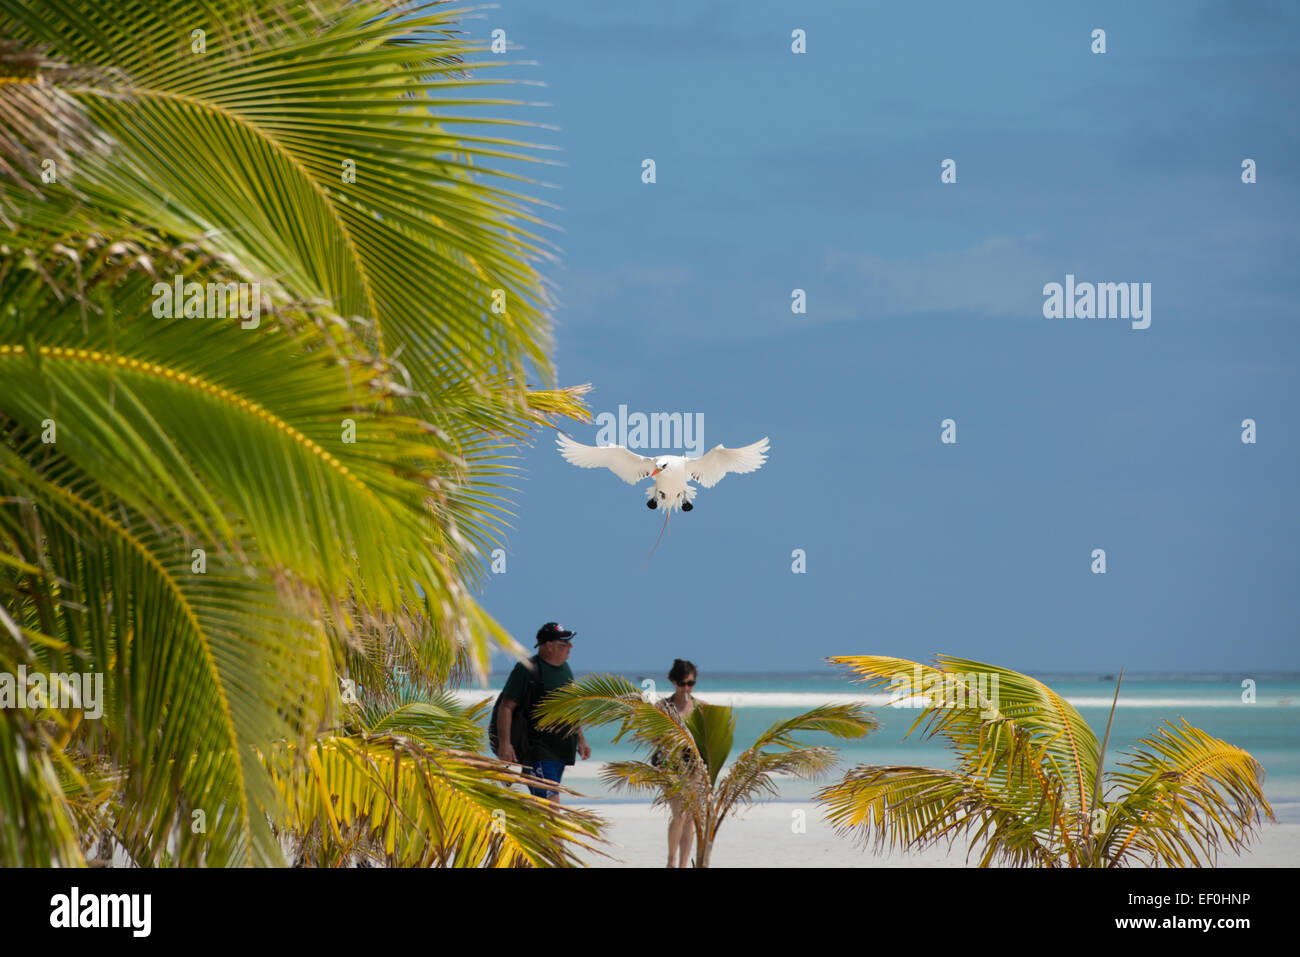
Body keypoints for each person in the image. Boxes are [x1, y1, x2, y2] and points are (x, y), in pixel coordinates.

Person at [497, 622, 591, 801]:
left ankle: (522, 828)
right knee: (552, 806)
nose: (570, 647)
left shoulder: (565, 670)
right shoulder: (526, 668)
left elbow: (570, 707)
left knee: (542, 808)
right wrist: (505, 744)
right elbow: (506, 707)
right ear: (548, 646)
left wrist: (581, 740)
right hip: (538, 751)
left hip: (561, 751)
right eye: (564, 644)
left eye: (569, 644)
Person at [655, 658, 700, 868]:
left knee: (690, 817)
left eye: (690, 683)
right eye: (682, 684)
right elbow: (652, 738)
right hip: (669, 764)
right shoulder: (662, 707)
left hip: (694, 765)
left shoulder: (700, 708)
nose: (686, 688)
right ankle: (671, 860)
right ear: (673, 682)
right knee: (679, 814)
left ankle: (683, 864)